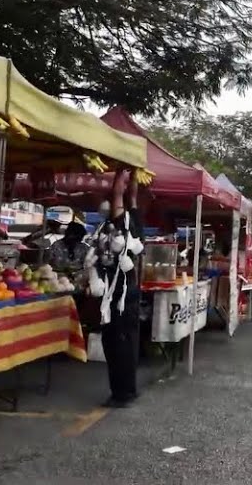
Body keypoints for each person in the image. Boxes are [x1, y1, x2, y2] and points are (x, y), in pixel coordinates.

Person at [91, 169, 143, 408]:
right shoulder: (135, 226)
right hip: (125, 295)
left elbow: (122, 204)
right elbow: (130, 201)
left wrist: (119, 184)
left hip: (119, 297)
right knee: (125, 344)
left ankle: (122, 394)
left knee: (117, 345)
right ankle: (126, 390)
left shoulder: (122, 231)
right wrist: (130, 184)